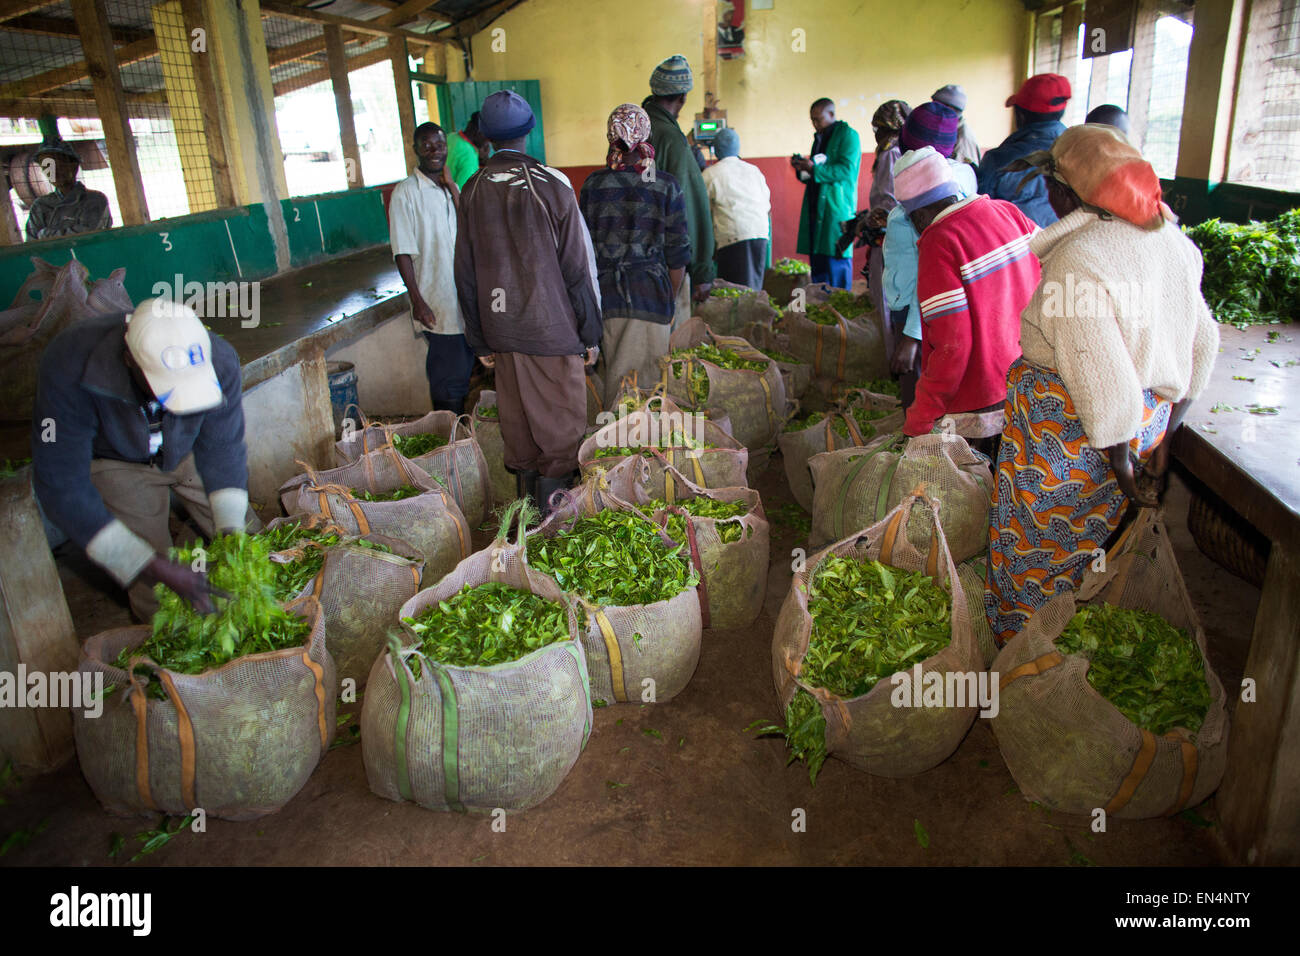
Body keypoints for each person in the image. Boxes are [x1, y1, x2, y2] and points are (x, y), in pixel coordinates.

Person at [985, 124, 1220, 645]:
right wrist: (1163, 439)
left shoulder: (1079, 262)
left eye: (1051, 185)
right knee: (1100, 540)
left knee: (1041, 541)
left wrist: (1122, 464)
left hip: (1074, 433)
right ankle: (1075, 635)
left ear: (1064, 191)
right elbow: (1201, 343)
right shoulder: (1174, 244)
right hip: (1145, 416)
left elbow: (1099, 370)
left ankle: (1025, 651)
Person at [31, 298, 258, 620]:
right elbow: (60, 484)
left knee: (247, 540)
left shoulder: (219, 358)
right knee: (158, 589)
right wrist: (148, 565)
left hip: (187, 443)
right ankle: (180, 656)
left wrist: (231, 529)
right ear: (129, 360)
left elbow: (223, 447)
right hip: (118, 459)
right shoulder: (69, 364)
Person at [454, 90, 602, 511]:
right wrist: (589, 332)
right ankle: (548, 538)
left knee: (519, 435)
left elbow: (464, 272)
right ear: (529, 130)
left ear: (484, 134)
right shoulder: (553, 185)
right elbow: (577, 268)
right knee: (560, 438)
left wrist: (481, 340)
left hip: (503, 334)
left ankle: (524, 531)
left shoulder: (474, 188)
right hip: (551, 331)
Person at [896, 148, 1040, 443]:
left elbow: (953, 345)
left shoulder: (940, 242)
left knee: (978, 482)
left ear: (918, 213)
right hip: (1028, 378)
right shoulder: (1006, 211)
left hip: (982, 398)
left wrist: (922, 416)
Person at [579, 104, 691, 404]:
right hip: (651, 297)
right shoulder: (665, 185)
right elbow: (678, 254)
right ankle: (646, 449)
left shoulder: (593, 184)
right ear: (646, 134)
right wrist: (671, 298)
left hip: (607, 297)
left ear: (610, 136)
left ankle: (615, 447)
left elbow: (582, 251)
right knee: (651, 389)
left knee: (616, 382)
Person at [883, 106, 978, 407]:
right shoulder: (959, 175)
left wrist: (911, 338)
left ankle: (920, 447)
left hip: (918, 309)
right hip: (927, 306)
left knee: (919, 395)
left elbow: (929, 270)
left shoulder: (928, 203)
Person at [389, 122, 474, 415]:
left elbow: (468, 227)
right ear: (415, 150)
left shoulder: (451, 189)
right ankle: (448, 440)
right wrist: (418, 301)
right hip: (435, 303)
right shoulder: (406, 193)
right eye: (426, 145)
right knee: (448, 379)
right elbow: (402, 251)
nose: (434, 150)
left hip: (460, 301)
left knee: (462, 374)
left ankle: (457, 437)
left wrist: (452, 186)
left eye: (439, 145)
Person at [643, 55, 716, 323]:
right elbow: (691, 208)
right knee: (672, 350)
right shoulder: (672, 139)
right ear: (683, 97)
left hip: (627, 272)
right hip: (668, 266)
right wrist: (702, 270)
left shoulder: (632, 131)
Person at [977, 73, 1071, 227]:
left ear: (1020, 115)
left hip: (1017, 248)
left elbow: (981, 216)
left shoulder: (997, 160)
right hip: (1067, 246)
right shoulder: (1080, 153)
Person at [793, 97, 863, 290]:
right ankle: (821, 310)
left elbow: (846, 170)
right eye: (812, 120)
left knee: (836, 259)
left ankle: (842, 312)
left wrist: (814, 169)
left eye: (818, 119)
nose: (815, 124)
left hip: (836, 209)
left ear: (831, 114)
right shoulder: (820, 138)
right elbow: (817, 168)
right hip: (817, 209)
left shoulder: (848, 136)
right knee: (819, 262)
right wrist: (803, 168)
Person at [701, 127, 770, 289]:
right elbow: (766, 205)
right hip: (760, 234)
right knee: (754, 289)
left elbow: (703, 211)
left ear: (716, 150)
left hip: (733, 237)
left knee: (735, 293)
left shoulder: (710, 174)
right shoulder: (754, 171)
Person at [24, 138, 111, 241]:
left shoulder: (95, 199)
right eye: (46, 166)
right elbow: (31, 244)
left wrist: (44, 234)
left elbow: (86, 235)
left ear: (74, 167)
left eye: (58, 164)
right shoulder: (40, 205)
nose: (53, 171)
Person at [933, 84, 981, 167]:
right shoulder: (947, 129)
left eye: (936, 105)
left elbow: (958, 174)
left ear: (950, 109)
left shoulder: (962, 138)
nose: (932, 109)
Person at [445, 111, 486, 188]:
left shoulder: (450, 137)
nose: (487, 142)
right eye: (487, 136)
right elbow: (464, 195)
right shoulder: (470, 157)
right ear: (479, 132)